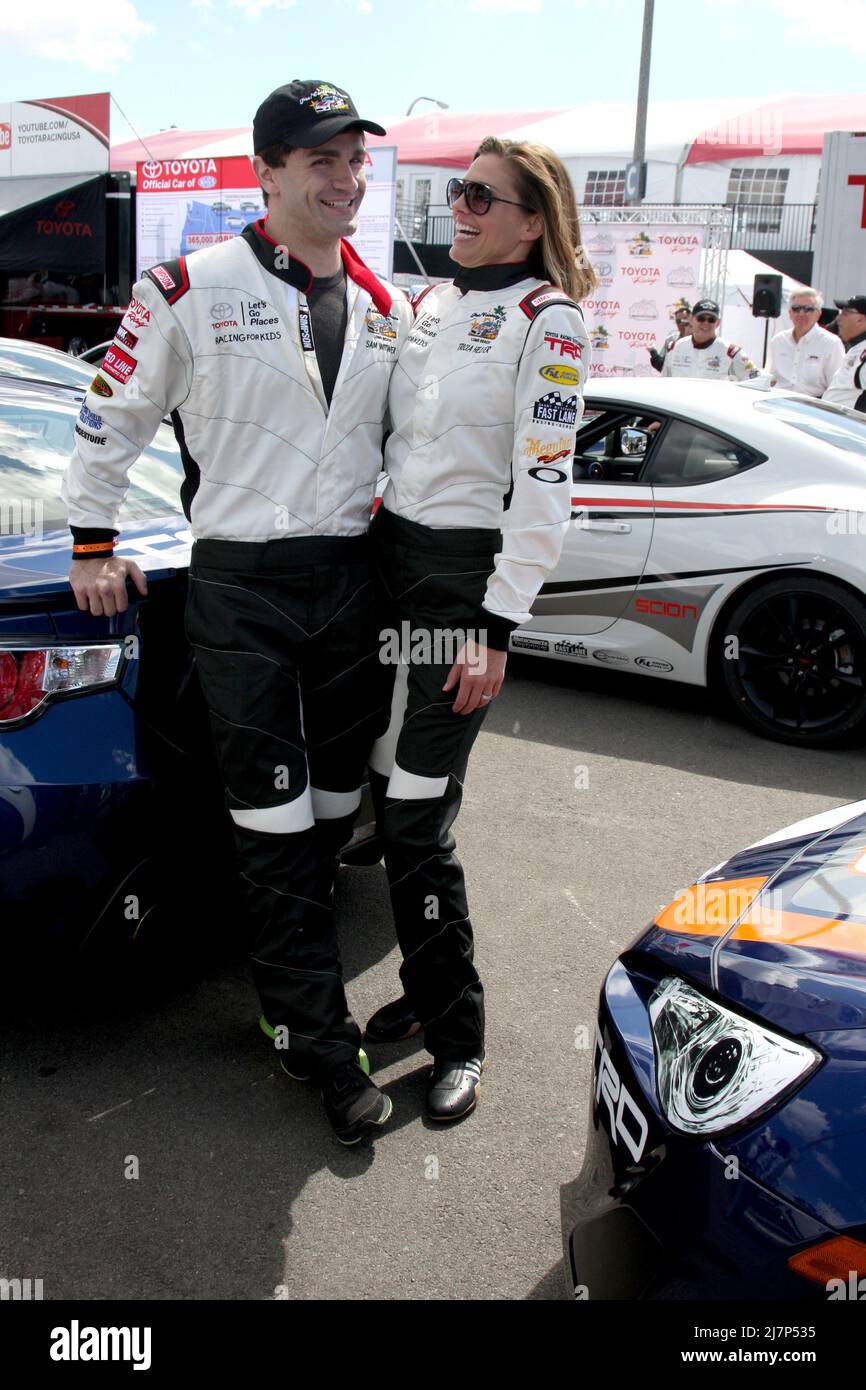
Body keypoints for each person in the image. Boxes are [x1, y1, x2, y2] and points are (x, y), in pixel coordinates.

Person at [62, 79, 413, 1146]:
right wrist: (91, 540)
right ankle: (314, 1035)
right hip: (240, 586)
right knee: (269, 816)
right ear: (264, 170)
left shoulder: (392, 305)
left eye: (355, 158)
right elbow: (110, 416)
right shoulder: (184, 284)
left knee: (331, 811)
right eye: (320, 158)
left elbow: (416, 456)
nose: (343, 177)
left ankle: (283, 987)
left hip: (352, 586)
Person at [362, 136, 594, 1122]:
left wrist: (493, 630)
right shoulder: (427, 305)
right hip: (384, 569)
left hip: (461, 592)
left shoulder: (551, 321)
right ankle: (420, 990)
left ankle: (457, 1030)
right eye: (453, 191)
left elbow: (545, 491)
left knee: (416, 814)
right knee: (382, 796)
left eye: (479, 196)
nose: (457, 207)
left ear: (532, 218)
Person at [662, 299, 764, 381]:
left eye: (711, 320)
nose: (706, 323)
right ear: (692, 320)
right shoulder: (675, 347)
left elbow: (755, 379)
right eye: (701, 318)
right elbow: (664, 381)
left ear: (718, 323)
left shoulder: (731, 352)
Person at [767, 288, 843, 396]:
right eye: (796, 308)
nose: (801, 313)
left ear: (818, 314)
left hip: (812, 407)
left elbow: (835, 388)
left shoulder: (831, 343)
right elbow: (769, 378)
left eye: (808, 309)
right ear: (790, 313)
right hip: (777, 402)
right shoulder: (778, 340)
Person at [824, 296, 866, 414]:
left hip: (849, 426)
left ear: (860, 319)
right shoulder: (858, 347)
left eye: (844, 313)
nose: (838, 318)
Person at [647, 302, 690, 372]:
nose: (681, 324)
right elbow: (661, 365)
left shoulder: (700, 341)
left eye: (685, 320)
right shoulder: (671, 340)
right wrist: (653, 351)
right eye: (678, 321)